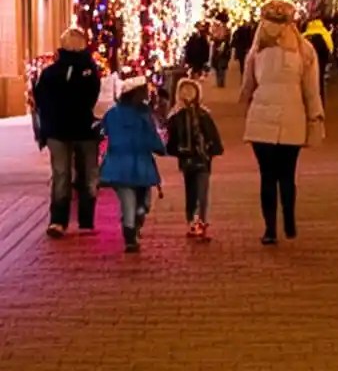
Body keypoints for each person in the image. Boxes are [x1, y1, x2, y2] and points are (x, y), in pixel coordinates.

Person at [241, 0, 325, 245]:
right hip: (293, 116)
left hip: (261, 118)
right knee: (287, 174)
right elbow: (311, 89)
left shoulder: (257, 51)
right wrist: (315, 115)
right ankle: (288, 218)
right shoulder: (304, 50)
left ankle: (269, 229)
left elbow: (247, 86)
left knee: (267, 176)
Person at [33, 27, 102, 238]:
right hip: (79, 129)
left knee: (63, 174)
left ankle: (61, 221)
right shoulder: (86, 71)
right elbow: (93, 98)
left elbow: (40, 101)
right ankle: (82, 220)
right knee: (84, 175)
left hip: (63, 130)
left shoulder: (53, 72)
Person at [98, 76, 165, 253]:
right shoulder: (144, 116)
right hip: (140, 164)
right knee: (142, 202)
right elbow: (153, 139)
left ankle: (130, 234)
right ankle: (134, 226)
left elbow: (101, 131)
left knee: (127, 201)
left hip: (117, 165)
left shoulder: (112, 114)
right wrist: (161, 149)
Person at [165, 78, 224, 240]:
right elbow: (172, 140)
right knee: (196, 192)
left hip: (195, 160)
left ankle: (197, 221)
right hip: (195, 160)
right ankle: (196, 221)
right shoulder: (187, 115)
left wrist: (213, 148)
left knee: (196, 191)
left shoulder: (193, 115)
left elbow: (211, 134)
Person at [302, 18, 334, 105]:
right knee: (319, 84)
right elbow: (329, 49)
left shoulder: (304, 36)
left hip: (306, 64)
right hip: (321, 63)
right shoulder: (325, 34)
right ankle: (320, 103)